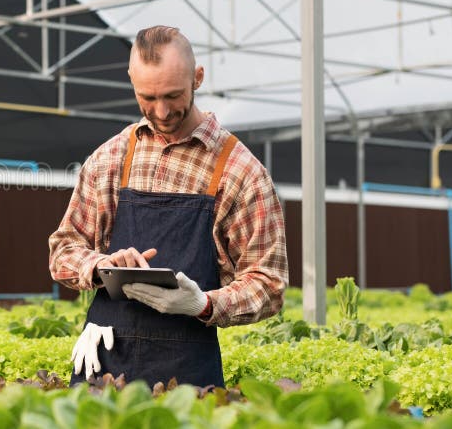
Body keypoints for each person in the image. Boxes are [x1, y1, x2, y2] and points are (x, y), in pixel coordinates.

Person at [48, 25, 288, 389]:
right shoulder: (110, 158)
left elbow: (268, 285)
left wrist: (203, 304)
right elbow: (63, 250)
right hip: (106, 362)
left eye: (173, 95)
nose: (161, 111)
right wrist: (100, 265)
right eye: (147, 97)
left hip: (187, 375)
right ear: (131, 81)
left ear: (198, 78)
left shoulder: (241, 172)